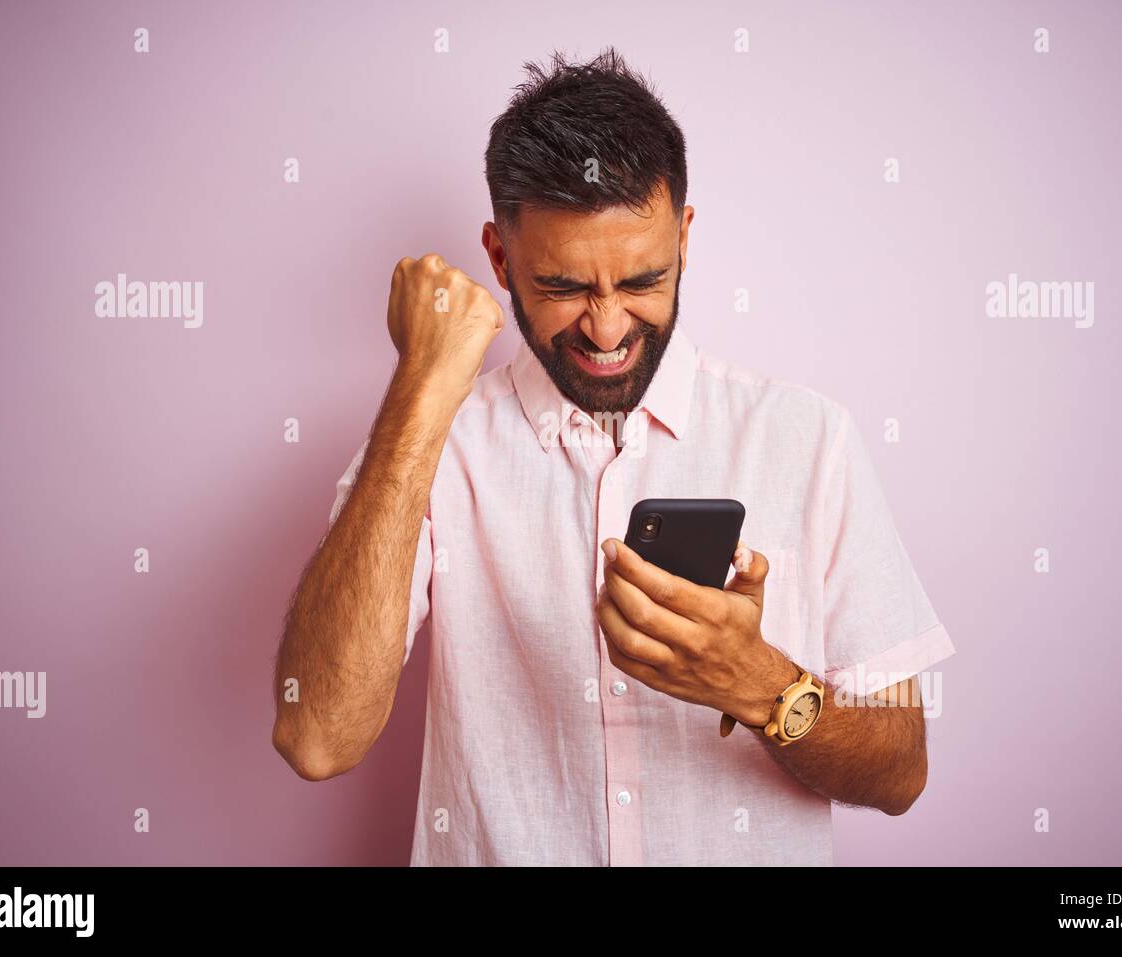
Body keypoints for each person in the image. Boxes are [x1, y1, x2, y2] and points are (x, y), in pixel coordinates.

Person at [272, 47, 955, 866]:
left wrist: (760, 684)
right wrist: (421, 382)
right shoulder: (429, 443)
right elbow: (316, 734)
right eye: (563, 287)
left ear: (686, 238)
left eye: (641, 280)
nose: (605, 328)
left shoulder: (809, 439)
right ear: (499, 260)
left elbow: (902, 770)